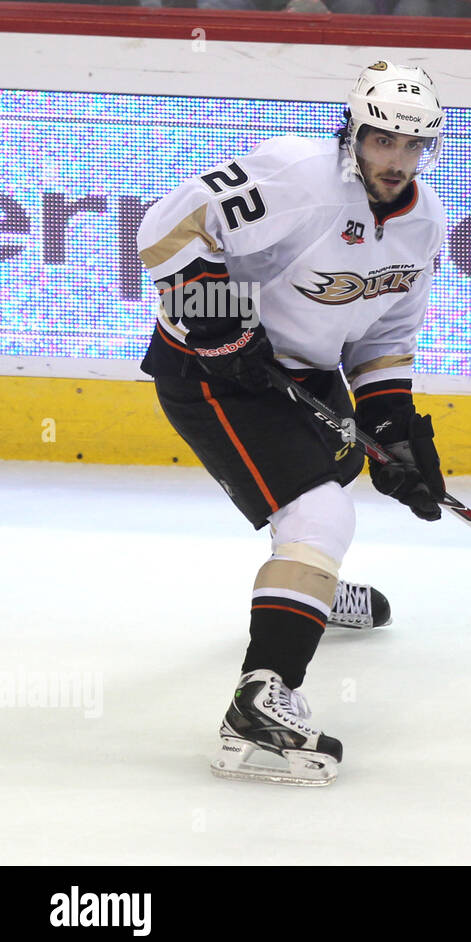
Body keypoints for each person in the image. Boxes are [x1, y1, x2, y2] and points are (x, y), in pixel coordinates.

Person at [136, 60, 449, 786]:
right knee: (319, 511)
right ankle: (261, 700)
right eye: (381, 141)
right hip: (213, 373)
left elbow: (384, 338)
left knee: (336, 473)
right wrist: (217, 325)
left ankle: (302, 590)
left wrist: (393, 431)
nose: (395, 161)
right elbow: (164, 229)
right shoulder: (297, 174)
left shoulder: (424, 221)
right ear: (353, 132)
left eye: (412, 146)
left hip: (301, 371)